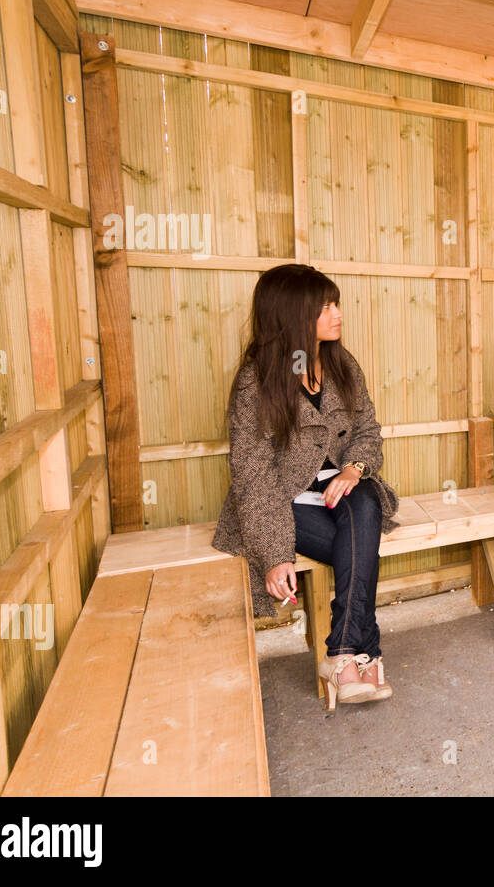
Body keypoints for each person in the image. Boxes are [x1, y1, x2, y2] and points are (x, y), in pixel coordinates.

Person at [212, 264, 401, 709]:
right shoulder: (255, 384)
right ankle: (364, 650)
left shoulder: (341, 363)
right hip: (284, 502)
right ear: (292, 316)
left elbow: (368, 430)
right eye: (325, 306)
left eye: (335, 303)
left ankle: (339, 653)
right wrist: (276, 554)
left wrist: (354, 469)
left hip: (344, 490)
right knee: (358, 542)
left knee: (366, 504)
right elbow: (253, 478)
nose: (337, 313)